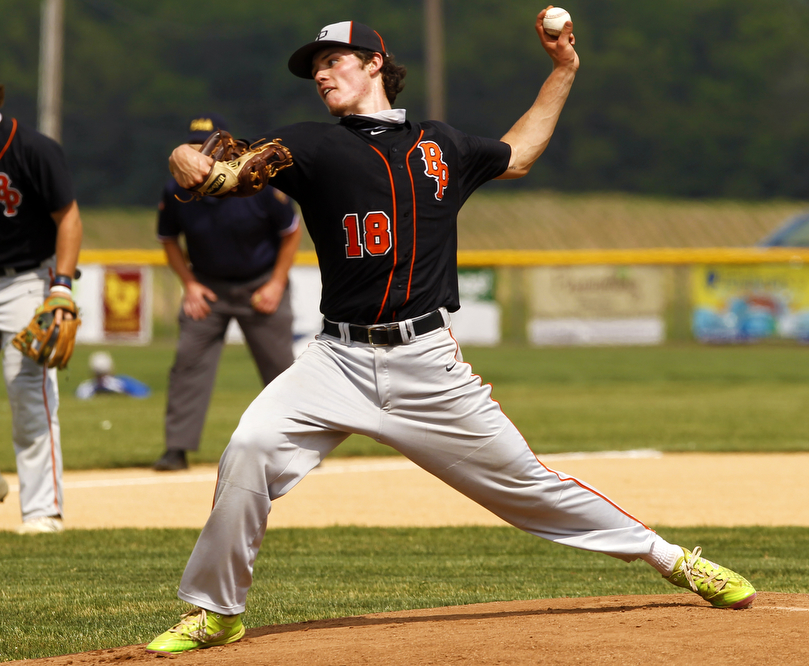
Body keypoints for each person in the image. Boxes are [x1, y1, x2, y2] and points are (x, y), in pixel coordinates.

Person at [147, 10, 756, 654]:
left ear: (374, 63)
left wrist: (564, 70)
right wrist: (186, 156)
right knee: (249, 448)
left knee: (529, 487)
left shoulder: (442, 144)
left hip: (425, 361)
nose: (321, 74)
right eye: (314, 69)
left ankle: (673, 560)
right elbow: (225, 161)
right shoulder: (310, 145)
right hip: (336, 360)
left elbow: (518, 154)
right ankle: (217, 610)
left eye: (333, 61)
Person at [152, 114, 302, 471]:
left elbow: (291, 232)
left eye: (210, 144)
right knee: (188, 363)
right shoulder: (176, 188)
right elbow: (168, 239)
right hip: (209, 288)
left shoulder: (256, 182)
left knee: (281, 369)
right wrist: (189, 284)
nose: (201, 150)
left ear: (227, 147)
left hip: (260, 284)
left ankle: (299, 445)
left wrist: (276, 283)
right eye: (194, 144)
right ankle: (176, 449)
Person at [0, 84, 82, 534]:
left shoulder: (31, 149)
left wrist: (62, 288)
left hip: (26, 280)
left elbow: (68, 217)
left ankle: (41, 511)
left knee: (27, 391)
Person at [74, 351, 151, 400]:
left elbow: (77, 397)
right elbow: (145, 393)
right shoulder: (122, 383)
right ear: (111, 369)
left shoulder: (85, 387)